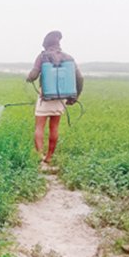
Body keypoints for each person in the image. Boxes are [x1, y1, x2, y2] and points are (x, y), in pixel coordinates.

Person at [25, 30, 84, 165]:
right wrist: (75, 97)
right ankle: (49, 157)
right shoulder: (68, 57)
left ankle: (40, 155)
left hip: (45, 97)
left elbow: (33, 75)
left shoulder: (42, 56)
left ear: (46, 44)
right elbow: (80, 78)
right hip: (60, 98)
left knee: (39, 127)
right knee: (54, 127)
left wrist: (29, 77)